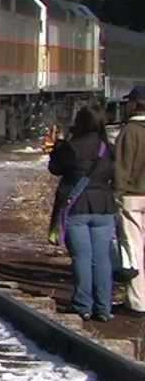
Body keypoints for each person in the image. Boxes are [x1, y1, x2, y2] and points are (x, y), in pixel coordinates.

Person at [49, 105, 117, 321]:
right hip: (104, 207)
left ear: (79, 123)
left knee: (82, 257)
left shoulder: (72, 147)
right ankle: (104, 307)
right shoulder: (107, 148)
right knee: (102, 258)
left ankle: (82, 305)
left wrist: (58, 147)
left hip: (76, 206)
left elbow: (55, 168)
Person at [115, 84, 145, 316]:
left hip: (132, 197)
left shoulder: (130, 131)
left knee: (133, 248)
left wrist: (117, 192)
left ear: (135, 104)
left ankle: (138, 301)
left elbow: (122, 166)